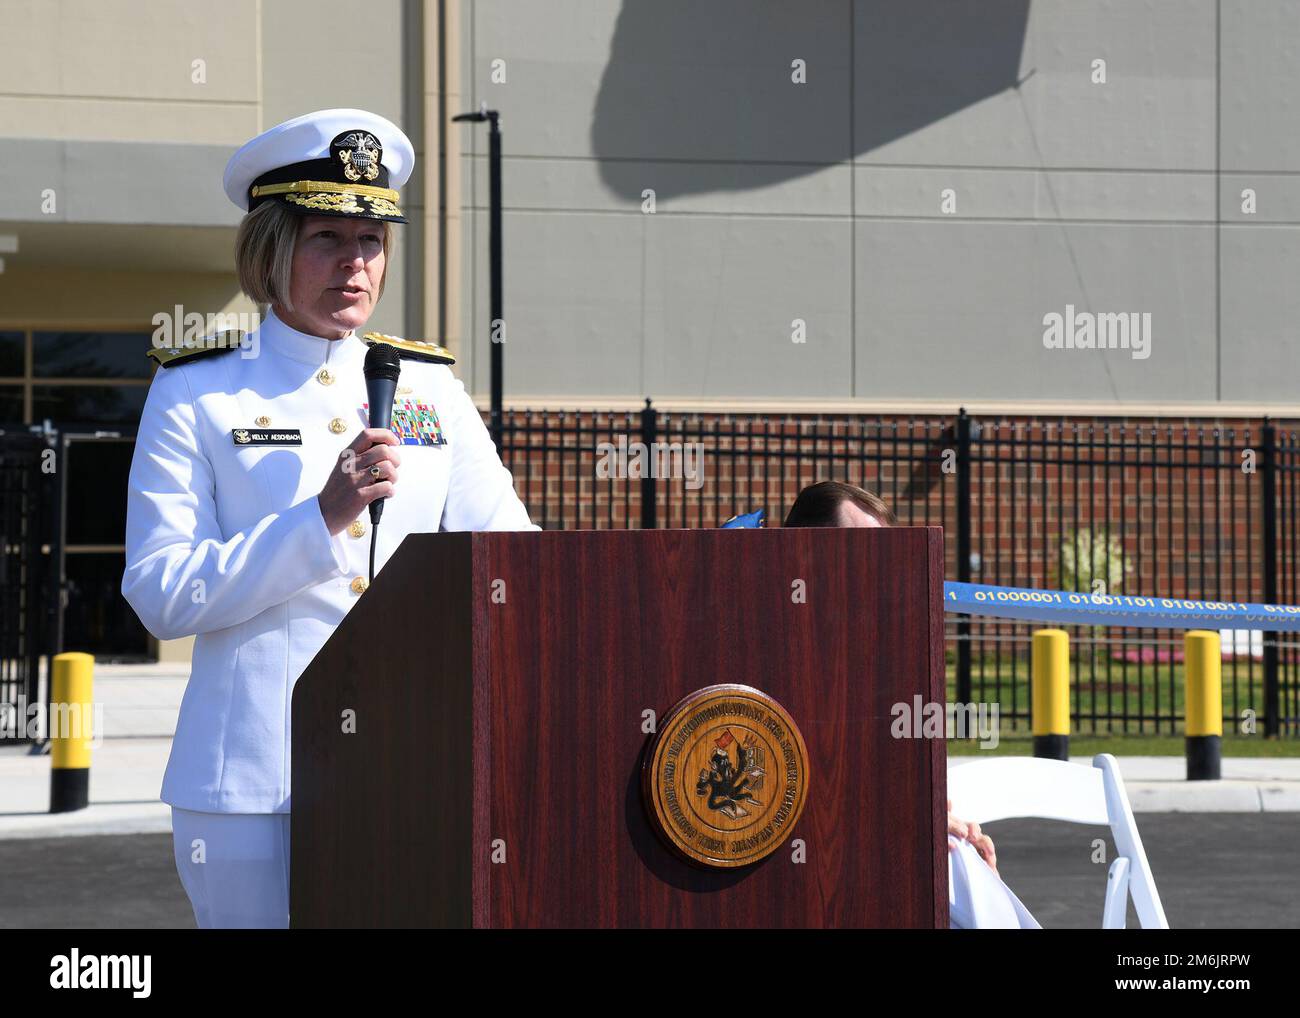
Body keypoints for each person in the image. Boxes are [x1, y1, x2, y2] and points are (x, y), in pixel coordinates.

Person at [121, 109, 538, 929]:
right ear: (271, 249)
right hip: (252, 785)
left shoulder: (430, 390)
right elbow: (161, 591)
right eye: (328, 239)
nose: (356, 263)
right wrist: (321, 518)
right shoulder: (197, 392)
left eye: (372, 240)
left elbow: (509, 562)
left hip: (412, 766)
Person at [783, 480, 1038, 927]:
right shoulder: (780, 642)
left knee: (962, 859)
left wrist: (942, 813)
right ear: (808, 552)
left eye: (885, 556)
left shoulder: (876, 651)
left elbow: (887, 766)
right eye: (861, 552)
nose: (877, 571)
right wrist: (916, 820)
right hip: (805, 859)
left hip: (884, 853)